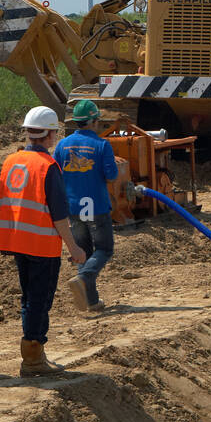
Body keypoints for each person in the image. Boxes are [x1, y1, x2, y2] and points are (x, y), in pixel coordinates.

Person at [0, 106, 86, 377]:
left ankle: (33, 352)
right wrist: (74, 248)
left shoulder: (11, 161)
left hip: (16, 240)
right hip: (41, 245)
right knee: (39, 300)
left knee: (29, 298)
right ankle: (33, 358)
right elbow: (59, 215)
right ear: (49, 135)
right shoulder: (48, 167)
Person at [53, 99, 118, 315]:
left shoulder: (62, 145)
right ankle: (82, 278)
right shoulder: (101, 145)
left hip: (73, 207)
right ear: (92, 121)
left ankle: (91, 301)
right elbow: (111, 176)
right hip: (96, 206)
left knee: (83, 252)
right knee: (104, 249)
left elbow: (55, 175)